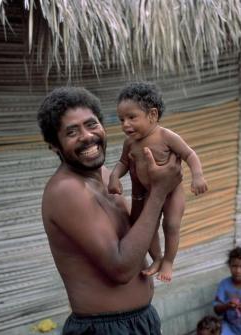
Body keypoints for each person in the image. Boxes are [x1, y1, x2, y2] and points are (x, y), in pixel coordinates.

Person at [37, 87, 182, 334]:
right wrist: (158, 192)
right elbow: (121, 268)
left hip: (139, 320)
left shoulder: (105, 176)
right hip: (106, 328)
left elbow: (135, 230)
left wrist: (141, 183)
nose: (87, 136)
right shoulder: (67, 190)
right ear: (54, 146)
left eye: (91, 125)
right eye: (72, 132)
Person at [108, 82, 208, 282]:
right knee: (148, 227)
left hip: (172, 193)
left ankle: (169, 261)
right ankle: (157, 258)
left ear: (152, 115)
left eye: (131, 118)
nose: (125, 125)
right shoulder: (129, 143)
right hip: (148, 193)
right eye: (121, 120)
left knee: (171, 225)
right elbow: (123, 163)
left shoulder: (166, 136)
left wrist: (198, 175)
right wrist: (113, 177)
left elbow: (189, 154)